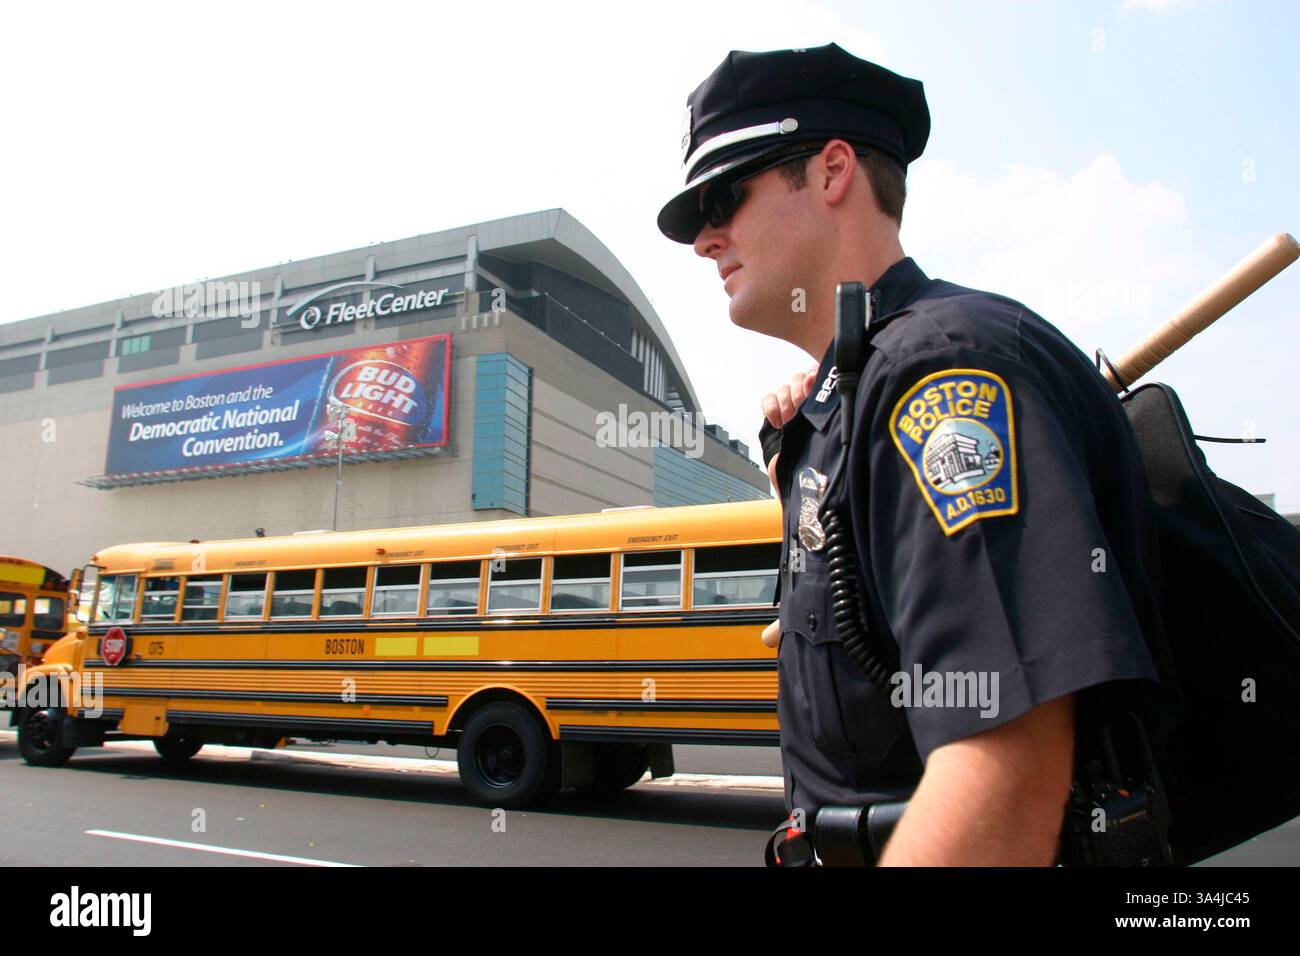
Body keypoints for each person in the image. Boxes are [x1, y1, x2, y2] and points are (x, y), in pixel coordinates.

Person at [657, 43, 1177, 865]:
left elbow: (1005, 773)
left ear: (832, 172)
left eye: (725, 195)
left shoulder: (941, 374)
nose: (705, 240)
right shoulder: (851, 403)